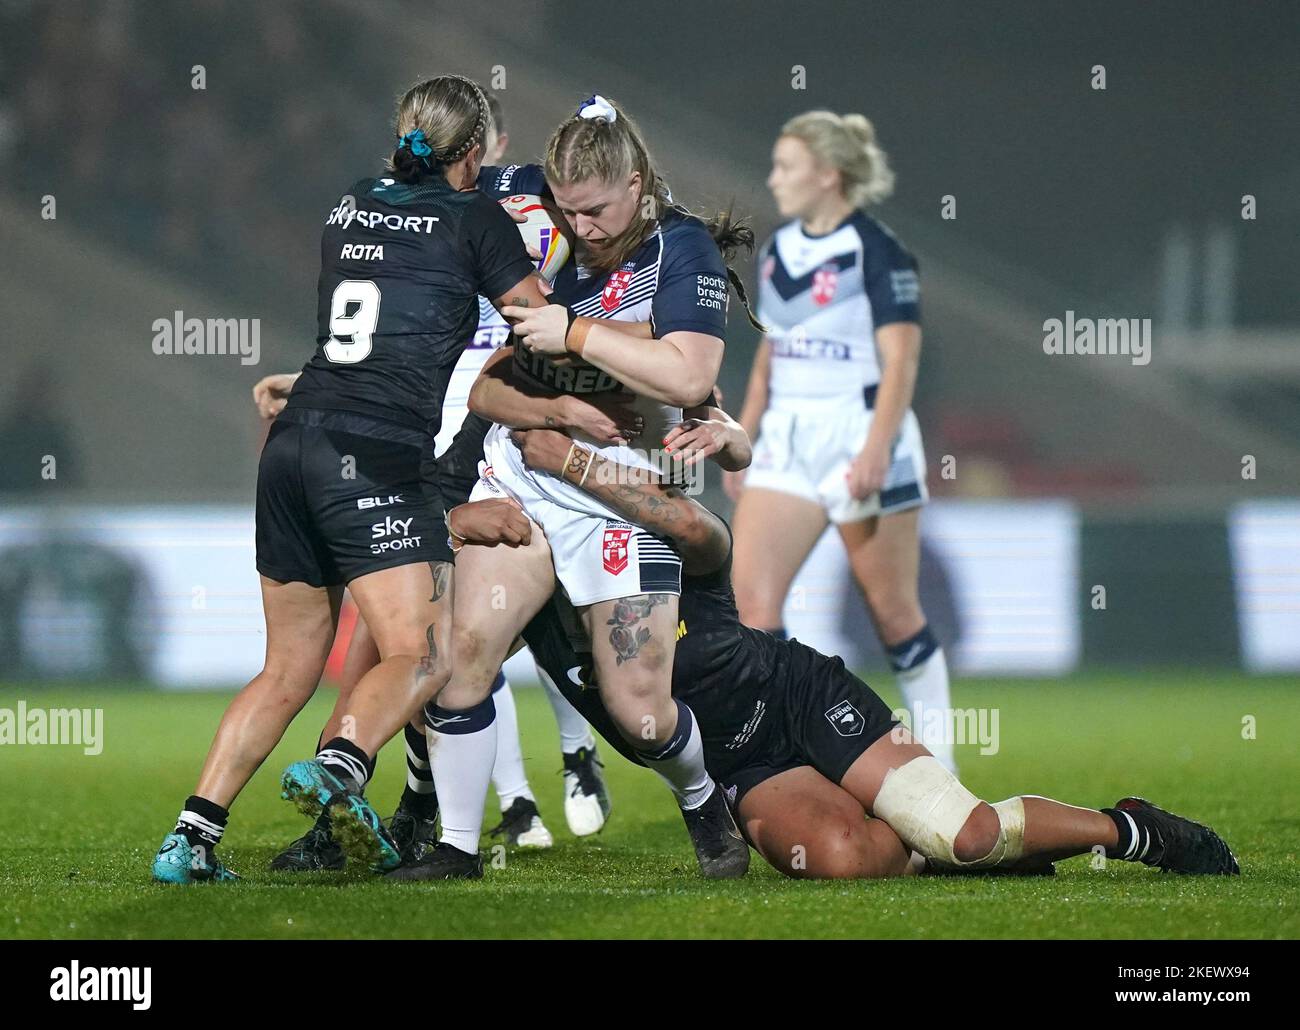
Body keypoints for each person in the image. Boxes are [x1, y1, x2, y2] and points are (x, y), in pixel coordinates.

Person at [436, 422, 1240, 881]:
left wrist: (576, 464)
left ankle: (1131, 830)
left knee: (963, 834)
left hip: (798, 696)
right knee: (851, 862)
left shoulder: (649, 551)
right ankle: (945, 854)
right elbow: (434, 648)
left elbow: (699, 528)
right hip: (746, 769)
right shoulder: (521, 612)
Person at [150, 74, 556, 884]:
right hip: (372, 457)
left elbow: (379, 318)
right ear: (472, 152)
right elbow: (537, 319)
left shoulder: (349, 202)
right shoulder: (475, 215)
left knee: (286, 669)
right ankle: (341, 765)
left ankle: (189, 841)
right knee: (424, 652)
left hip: (293, 444)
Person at [405, 94, 761, 880]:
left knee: (639, 713)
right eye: (567, 210)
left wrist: (573, 334)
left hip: (624, 496)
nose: (581, 228)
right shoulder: (547, 232)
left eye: (595, 211)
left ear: (637, 185)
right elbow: (487, 391)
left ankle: (703, 799)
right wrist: (557, 403)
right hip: (525, 476)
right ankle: (456, 849)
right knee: (463, 651)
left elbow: (692, 372)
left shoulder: (681, 249)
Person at [252, 98, 612, 875]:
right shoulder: (457, 213)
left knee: (430, 645)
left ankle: (479, 792)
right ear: (480, 146)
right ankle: (399, 807)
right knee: (406, 647)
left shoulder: (508, 205)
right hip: (412, 437)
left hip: (465, 440)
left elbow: (535, 320)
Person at [728, 111, 957, 770]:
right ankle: (784, 761)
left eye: (786, 166)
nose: (773, 179)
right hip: (788, 437)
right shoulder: (776, 250)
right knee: (751, 609)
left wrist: (876, 450)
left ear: (828, 174)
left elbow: (902, 363)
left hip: (859, 431)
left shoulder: (879, 251)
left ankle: (941, 765)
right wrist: (746, 431)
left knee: (893, 614)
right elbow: (773, 350)